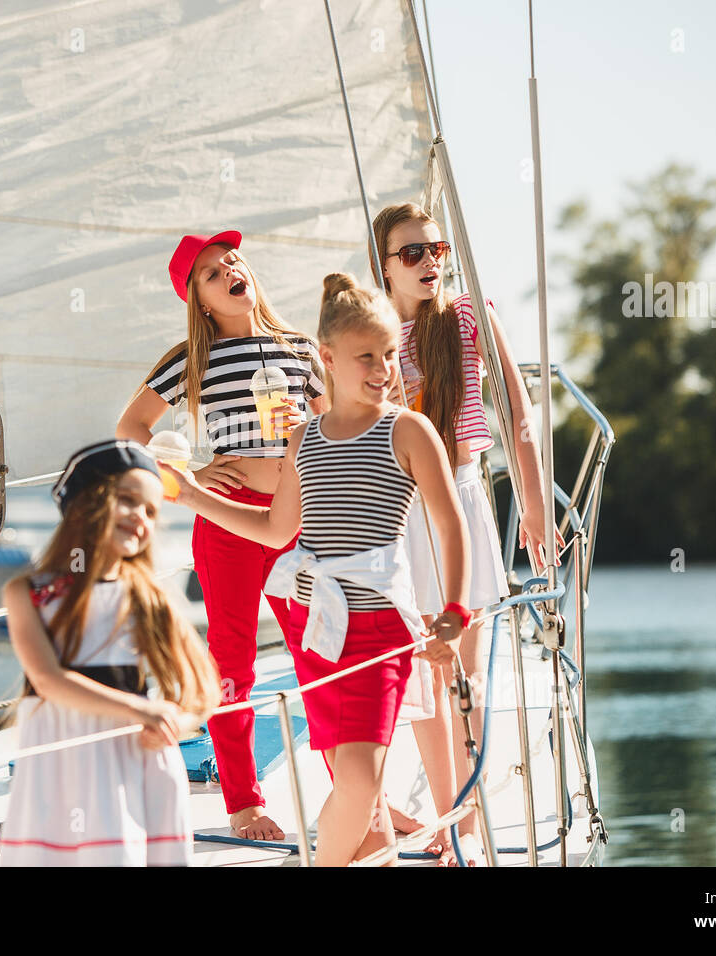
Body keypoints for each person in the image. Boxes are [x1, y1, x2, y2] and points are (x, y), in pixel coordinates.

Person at [163, 274, 472, 866]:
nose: (382, 369)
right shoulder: (304, 438)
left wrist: (455, 610)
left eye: (388, 355)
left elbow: (449, 523)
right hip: (315, 628)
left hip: (380, 626)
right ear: (327, 359)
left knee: (357, 780)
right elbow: (276, 532)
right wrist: (191, 494)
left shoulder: (408, 429)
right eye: (367, 357)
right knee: (372, 824)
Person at [116, 230, 329, 841]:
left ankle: (353, 792)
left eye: (231, 259)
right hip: (229, 520)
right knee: (232, 662)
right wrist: (186, 473)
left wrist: (310, 423)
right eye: (211, 272)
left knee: (316, 651)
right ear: (200, 299)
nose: (229, 269)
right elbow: (130, 428)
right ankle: (243, 802)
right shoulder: (193, 358)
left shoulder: (301, 350)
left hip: (295, 516)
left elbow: (336, 427)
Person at [373, 202, 564, 865]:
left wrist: (534, 507)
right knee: (427, 674)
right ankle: (453, 818)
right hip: (402, 513)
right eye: (411, 253)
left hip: (459, 496)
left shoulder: (470, 317)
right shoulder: (373, 334)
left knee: (465, 676)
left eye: (436, 249)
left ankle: (469, 822)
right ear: (385, 266)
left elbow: (517, 414)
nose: (429, 262)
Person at [0, 440, 219, 865]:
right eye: (128, 500)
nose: (142, 516)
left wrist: (173, 721)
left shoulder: (149, 596)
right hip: (58, 765)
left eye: (152, 510)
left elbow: (201, 689)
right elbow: (47, 680)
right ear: (84, 505)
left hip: (133, 759)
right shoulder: (28, 594)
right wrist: (141, 712)